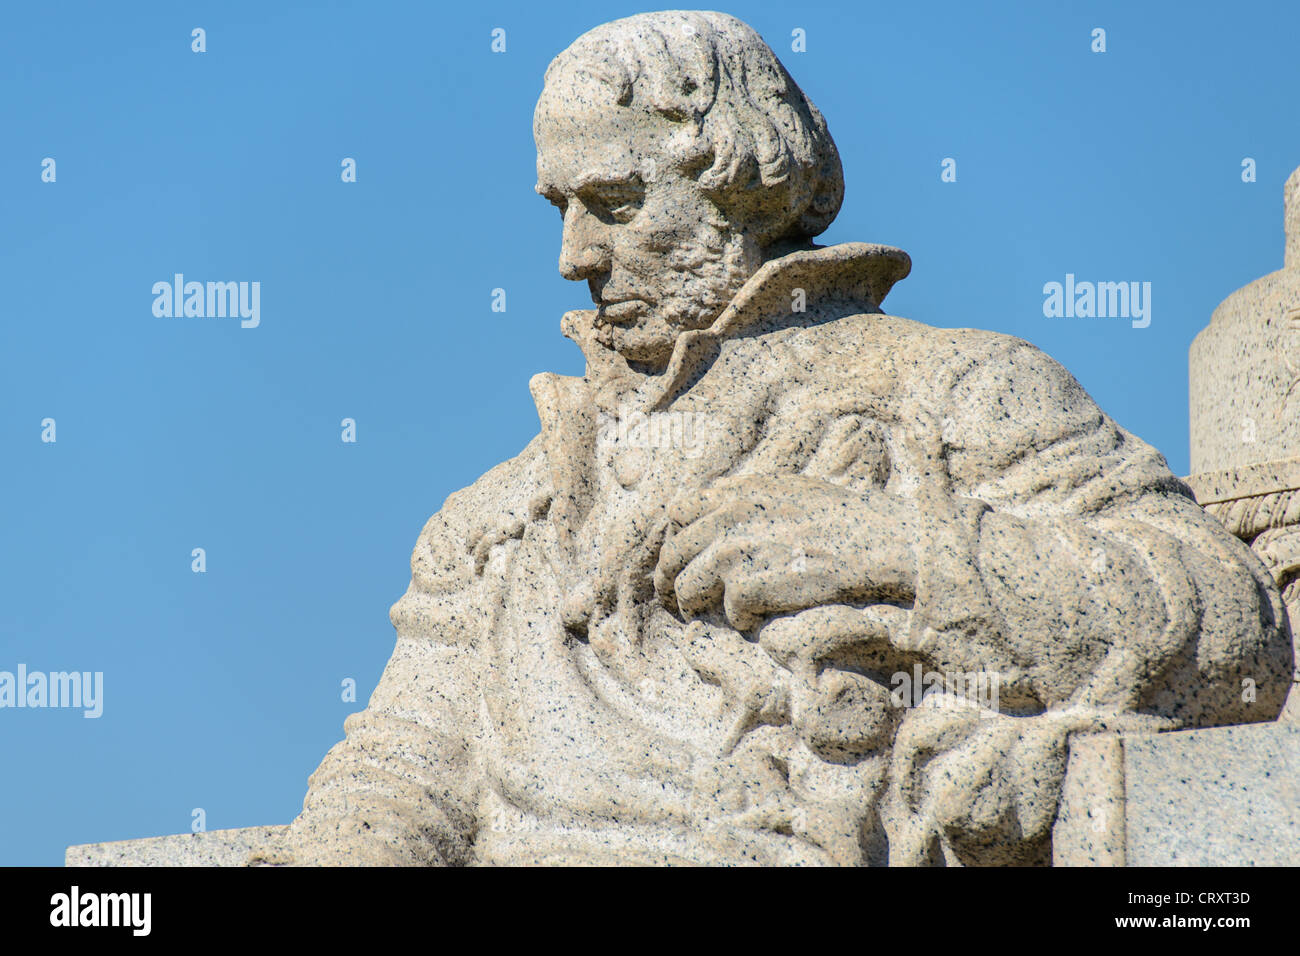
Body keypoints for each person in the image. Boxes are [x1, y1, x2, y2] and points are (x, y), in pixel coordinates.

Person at [260, 11, 1293, 867]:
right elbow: (400, 770)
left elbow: (1231, 627)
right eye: (560, 208)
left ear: (742, 186)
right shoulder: (501, 517)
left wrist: (900, 552)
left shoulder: (952, 389)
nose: (573, 257)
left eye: (615, 204)